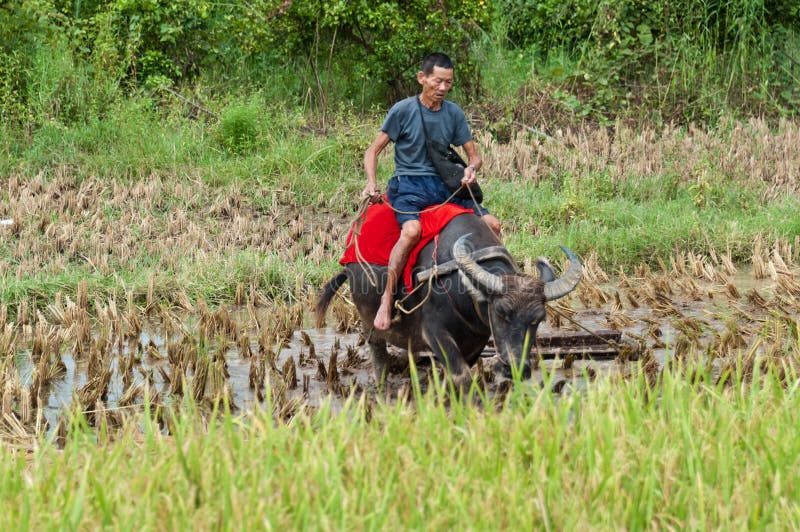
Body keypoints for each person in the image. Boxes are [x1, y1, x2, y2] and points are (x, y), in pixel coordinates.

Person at [362, 52, 501, 331]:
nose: (443, 88)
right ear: (422, 78)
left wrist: (470, 170)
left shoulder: (454, 113)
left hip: (445, 186)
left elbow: (474, 157)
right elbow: (372, 151)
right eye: (438, 81)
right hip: (409, 186)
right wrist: (371, 183)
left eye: (448, 83)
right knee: (411, 231)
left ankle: (500, 291)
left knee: (493, 224)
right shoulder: (402, 110)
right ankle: (387, 298)